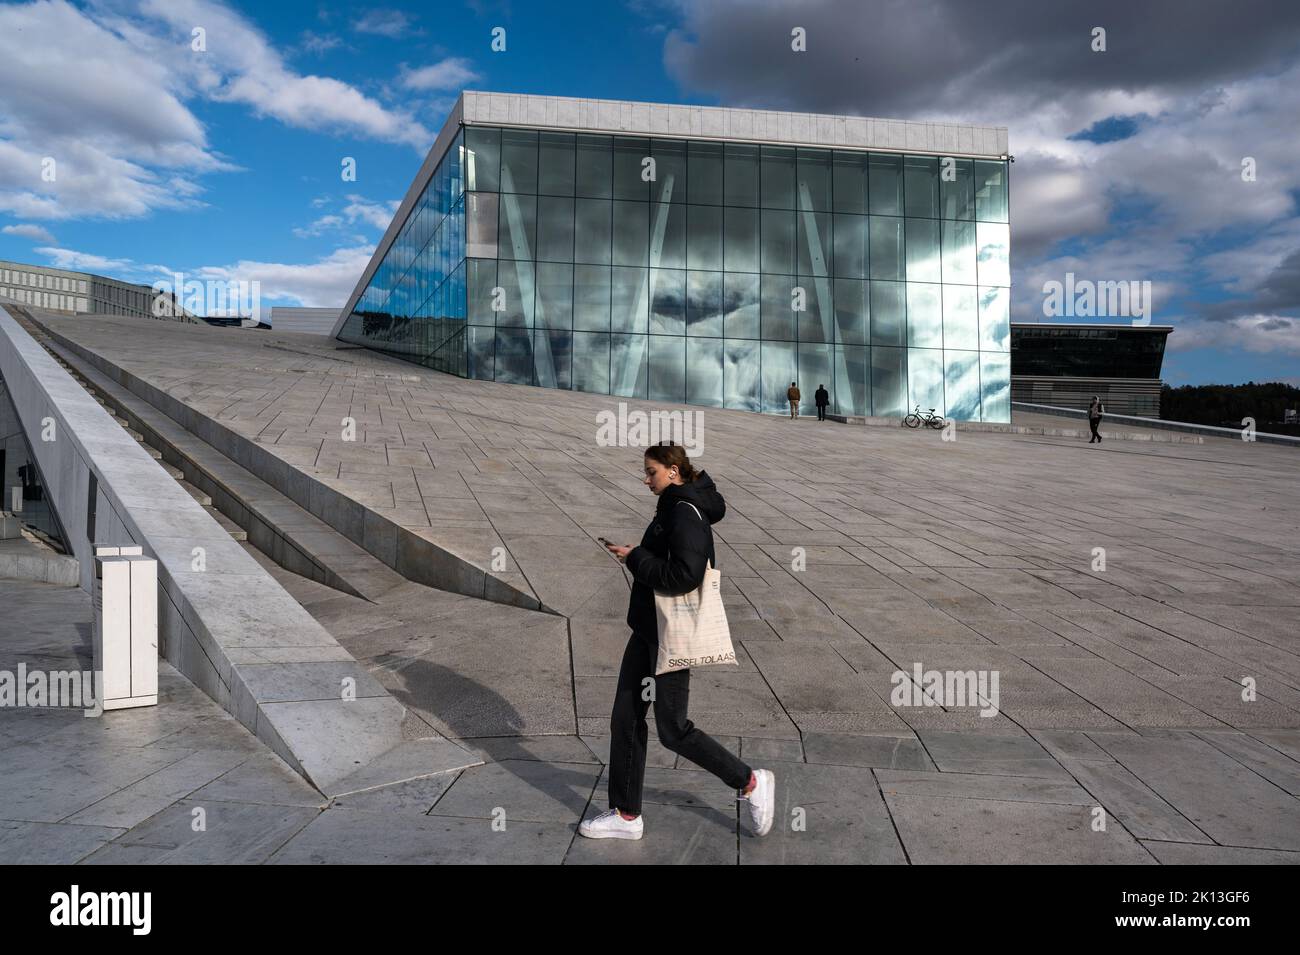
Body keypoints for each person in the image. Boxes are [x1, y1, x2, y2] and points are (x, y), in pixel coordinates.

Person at [580, 443, 775, 840]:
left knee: (673, 729)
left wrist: (636, 559)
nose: (645, 478)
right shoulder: (674, 504)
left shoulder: (684, 511)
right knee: (626, 717)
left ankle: (749, 781)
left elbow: (686, 574)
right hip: (649, 628)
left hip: (668, 634)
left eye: (650, 471)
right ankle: (626, 814)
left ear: (672, 470)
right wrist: (635, 554)